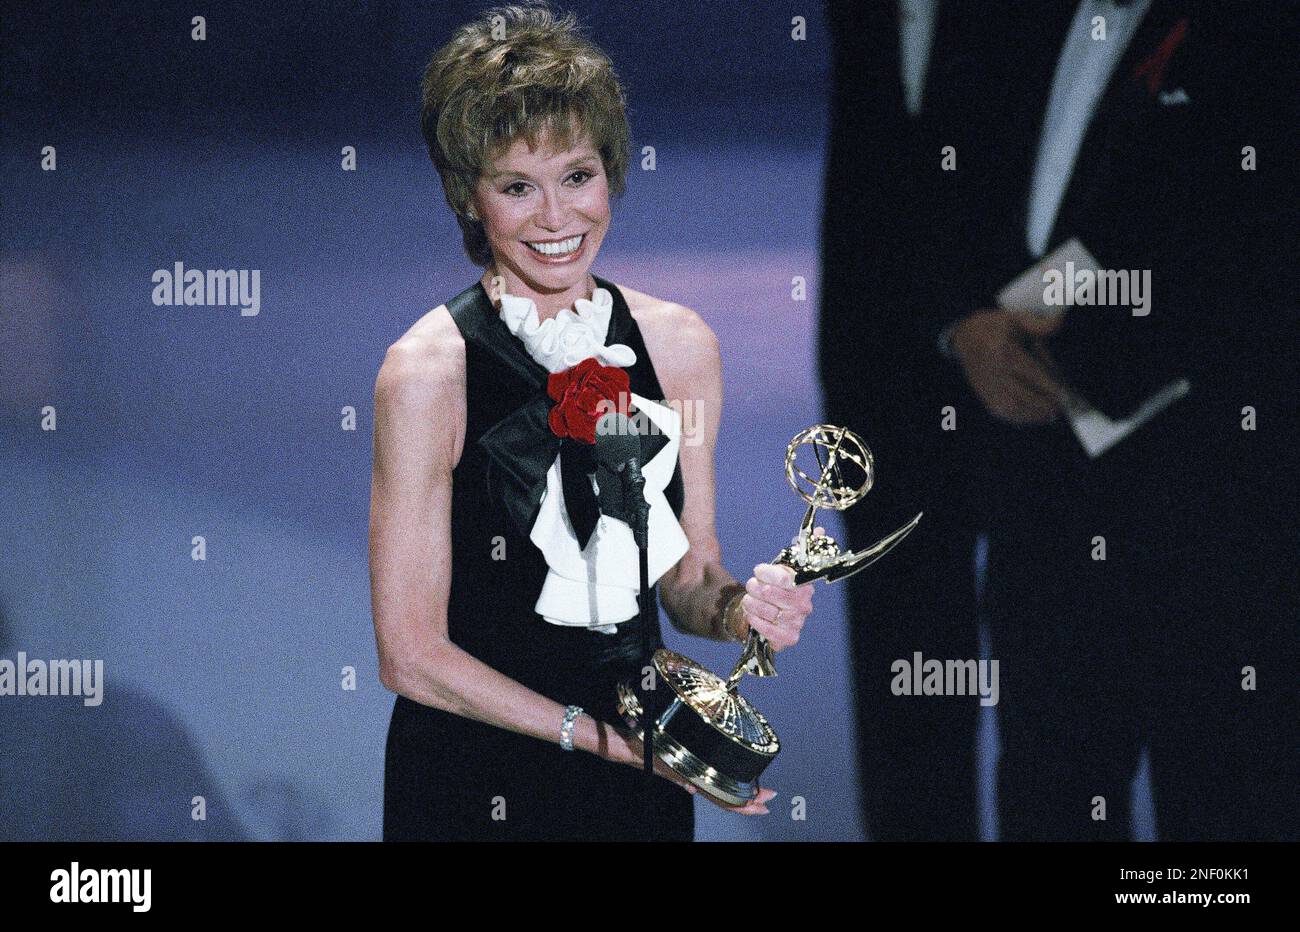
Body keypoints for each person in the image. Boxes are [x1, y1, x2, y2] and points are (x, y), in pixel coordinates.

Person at [369, 2, 819, 842]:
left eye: (577, 175)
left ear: (611, 171)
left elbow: (689, 578)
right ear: (472, 199)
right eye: (517, 186)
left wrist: (741, 614)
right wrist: (593, 738)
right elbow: (411, 655)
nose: (555, 218)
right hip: (474, 778)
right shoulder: (428, 372)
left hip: (638, 775)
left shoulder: (680, 346)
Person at [923, 0, 1296, 840]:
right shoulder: (1014, 23)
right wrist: (971, 329)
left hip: (1214, 496)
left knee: (1220, 802)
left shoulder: (1263, 29)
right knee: (1050, 786)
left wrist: (1061, 342)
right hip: (1037, 486)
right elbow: (949, 184)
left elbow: (1251, 233)